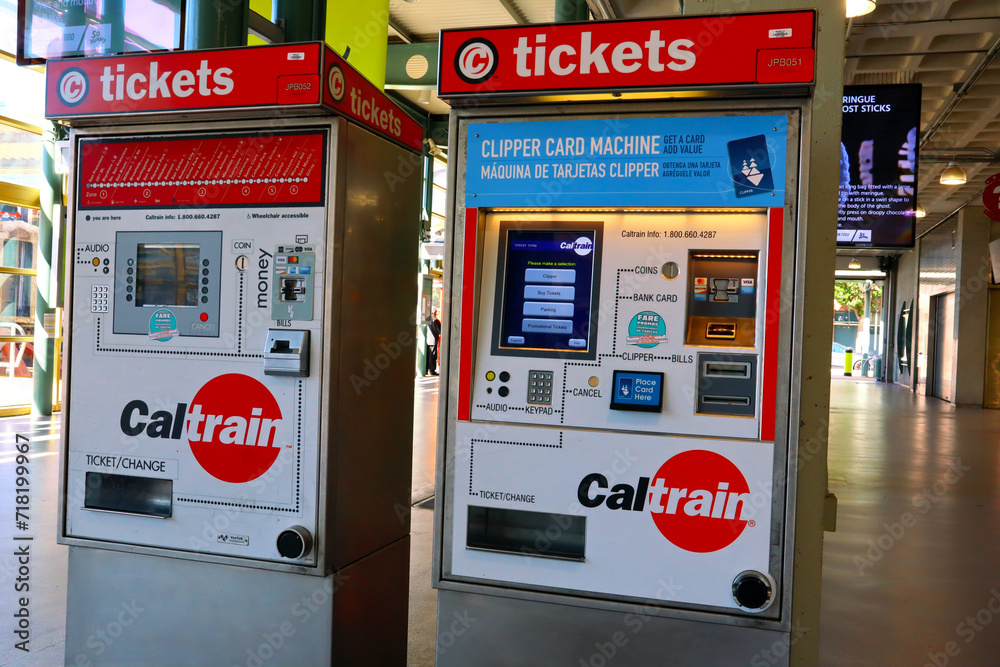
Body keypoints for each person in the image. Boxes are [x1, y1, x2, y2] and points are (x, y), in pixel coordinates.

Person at [427, 310, 441, 376]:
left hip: (428, 340)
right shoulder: (435, 320)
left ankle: (427, 369)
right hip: (433, 340)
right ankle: (432, 370)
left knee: (428, 355)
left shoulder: (427, 319)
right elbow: (440, 330)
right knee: (432, 355)